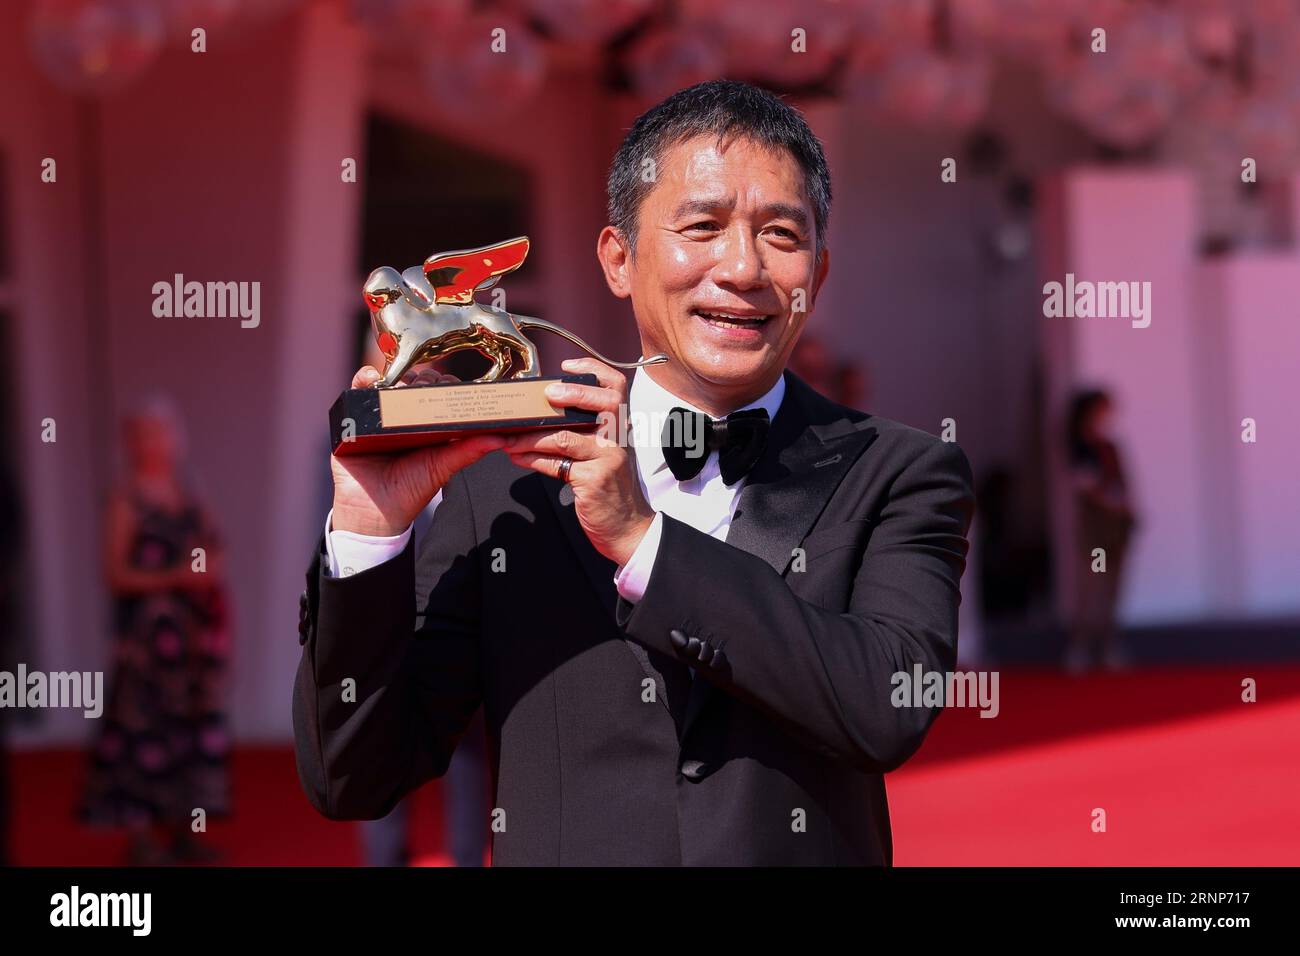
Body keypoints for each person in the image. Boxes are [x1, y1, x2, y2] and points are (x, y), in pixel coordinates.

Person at [294, 80, 974, 865]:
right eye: (703, 227)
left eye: (781, 235)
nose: (743, 267)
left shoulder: (901, 471)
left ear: (817, 277)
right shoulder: (505, 484)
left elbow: (887, 707)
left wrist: (643, 541)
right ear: (620, 259)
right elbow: (352, 777)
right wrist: (369, 537)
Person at [81, 397, 232, 865]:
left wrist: (205, 576)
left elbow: (214, 549)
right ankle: (143, 836)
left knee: (189, 730)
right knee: (142, 731)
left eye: (163, 432)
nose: (156, 443)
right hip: (146, 645)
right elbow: (115, 573)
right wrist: (174, 578)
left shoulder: (188, 492)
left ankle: (186, 829)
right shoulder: (126, 498)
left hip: (192, 641)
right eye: (146, 434)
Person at [1064, 388, 1137, 673]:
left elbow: (1123, 483)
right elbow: (1084, 485)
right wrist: (1110, 502)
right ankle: (1081, 647)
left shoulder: (1111, 447)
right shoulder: (1079, 447)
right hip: (1094, 527)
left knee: (1114, 588)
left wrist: (1126, 509)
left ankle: (1109, 645)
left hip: (1116, 527)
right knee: (1092, 586)